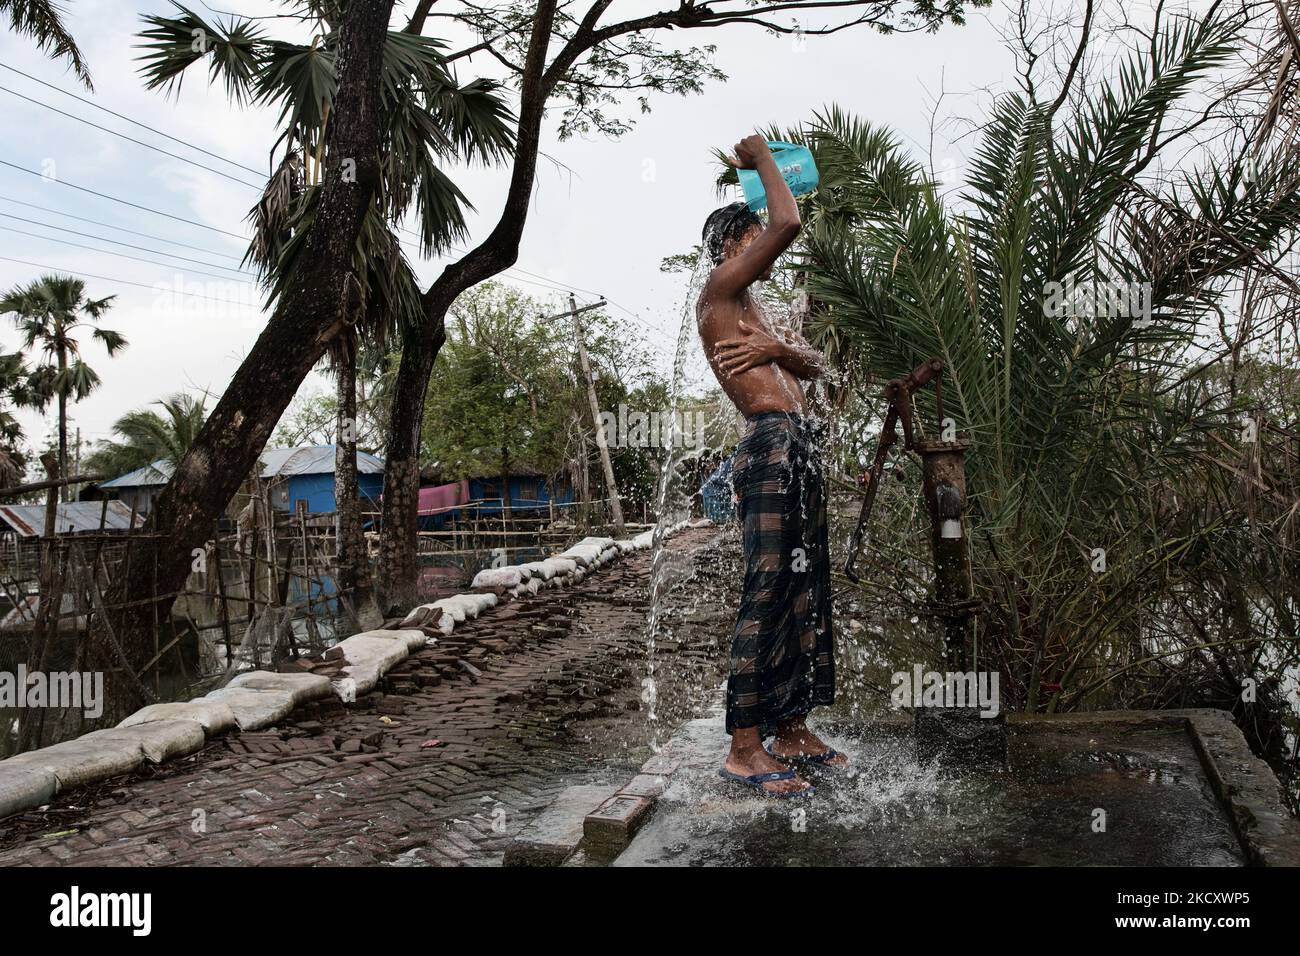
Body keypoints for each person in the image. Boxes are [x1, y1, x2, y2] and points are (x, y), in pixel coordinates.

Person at [697, 134, 846, 799]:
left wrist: (781, 350)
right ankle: (744, 747)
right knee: (766, 589)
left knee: (804, 588)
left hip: (798, 444)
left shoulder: (764, 313)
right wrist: (759, 159)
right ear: (734, 246)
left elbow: (814, 364)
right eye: (754, 240)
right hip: (767, 447)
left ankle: (791, 728)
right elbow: (787, 221)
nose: (770, 250)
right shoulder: (722, 293)